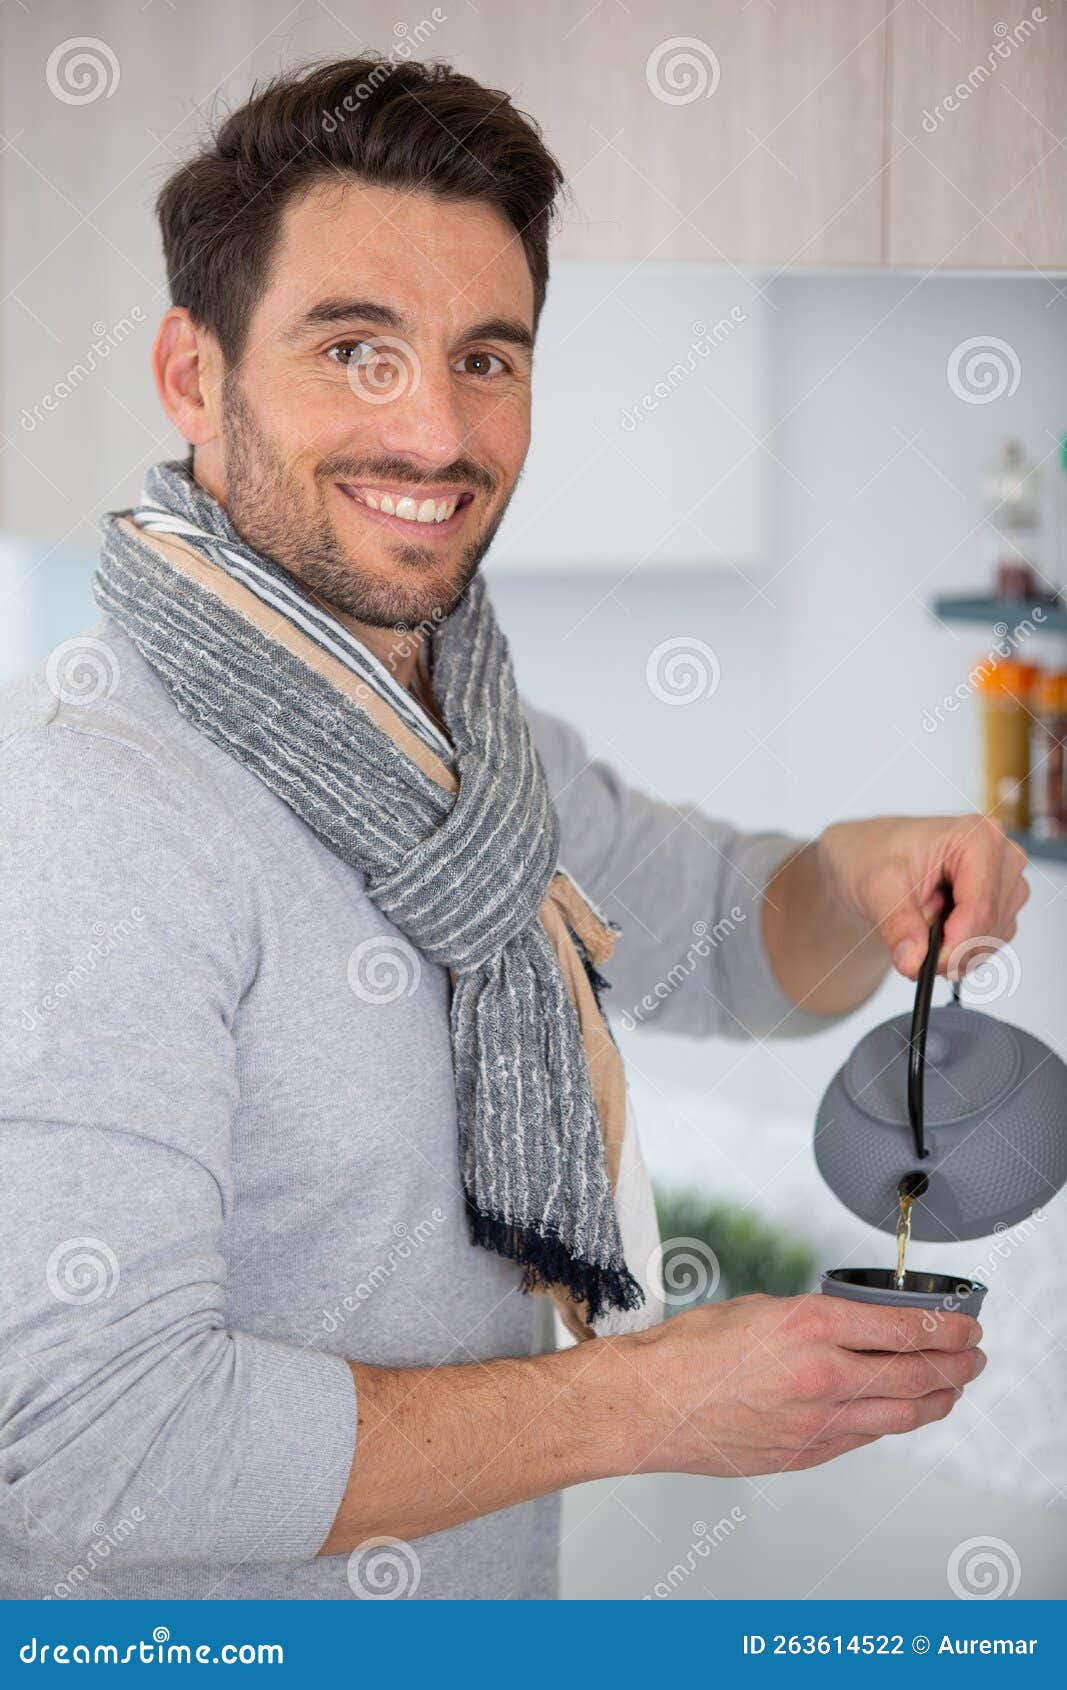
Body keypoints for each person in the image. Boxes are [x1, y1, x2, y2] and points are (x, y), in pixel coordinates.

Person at [0, 57, 1021, 1602]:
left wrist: (857, 873)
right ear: (193, 376)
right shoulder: (90, 802)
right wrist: (654, 1398)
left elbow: (729, 945)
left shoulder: (474, 751)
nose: (436, 434)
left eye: (488, 358)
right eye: (357, 349)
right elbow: (92, 1442)